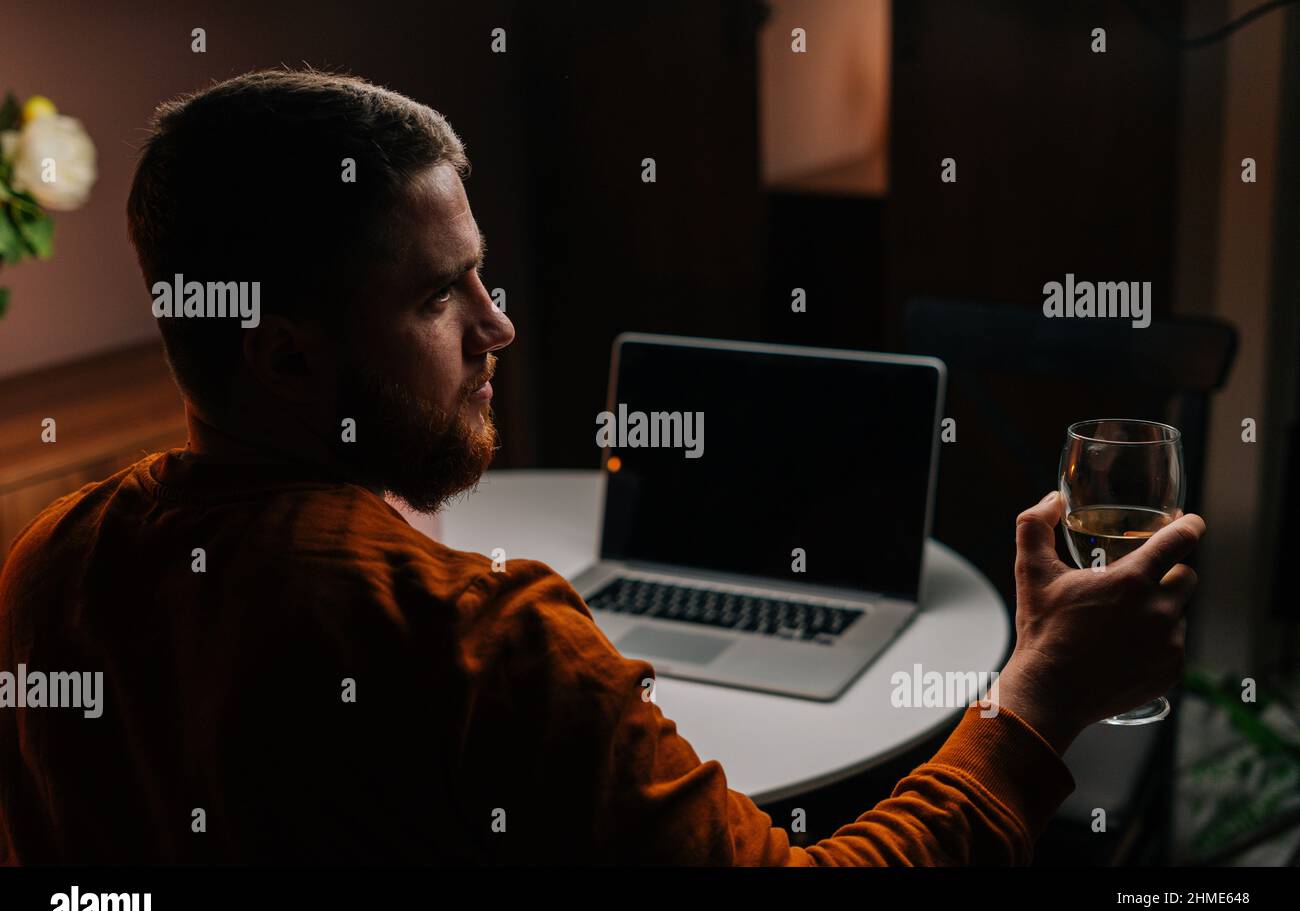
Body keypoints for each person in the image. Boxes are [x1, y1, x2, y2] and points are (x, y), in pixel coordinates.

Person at [0, 69, 1204, 865]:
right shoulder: (480, 637)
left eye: (483, 272)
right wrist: (1040, 692)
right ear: (286, 358)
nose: (498, 325)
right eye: (438, 293)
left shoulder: (51, 565)